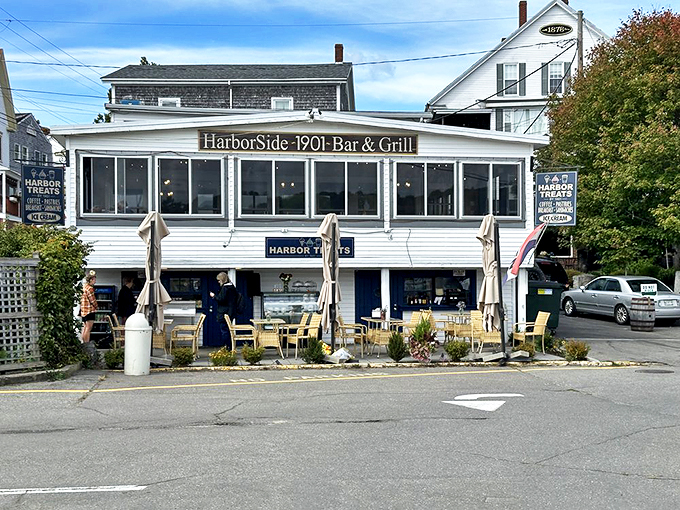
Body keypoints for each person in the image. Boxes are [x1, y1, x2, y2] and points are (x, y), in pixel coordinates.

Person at [209, 271, 239, 347]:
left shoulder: (225, 288)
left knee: (224, 331)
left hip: (224, 313)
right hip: (230, 312)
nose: (218, 282)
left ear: (222, 279)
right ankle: (230, 346)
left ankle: (227, 347)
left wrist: (214, 296)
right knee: (228, 330)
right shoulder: (232, 287)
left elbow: (221, 299)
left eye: (219, 280)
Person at [80, 270, 98, 343]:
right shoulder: (90, 288)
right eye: (94, 279)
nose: (95, 281)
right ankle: (87, 343)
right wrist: (96, 306)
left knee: (84, 327)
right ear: (91, 279)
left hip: (83, 311)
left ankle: (83, 342)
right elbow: (92, 300)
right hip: (89, 310)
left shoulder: (84, 287)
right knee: (89, 328)